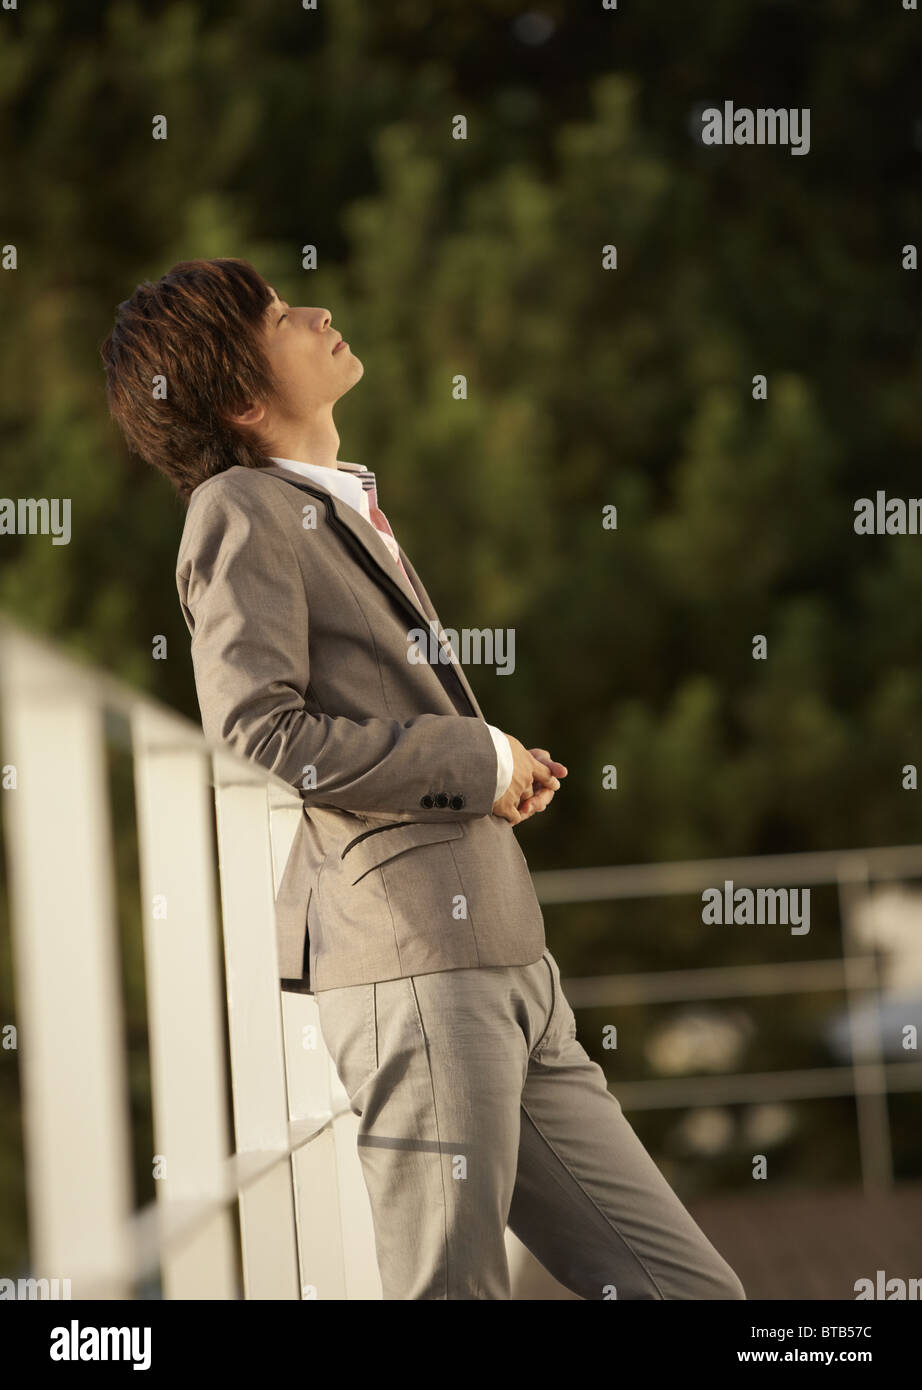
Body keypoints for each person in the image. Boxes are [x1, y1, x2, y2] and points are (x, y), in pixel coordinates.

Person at [100, 257, 745, 1301]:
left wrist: (494, 769)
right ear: (242, 397)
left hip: (504, 957)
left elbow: (368, 713)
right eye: (276, 317)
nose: (315, 311)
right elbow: (259, 728)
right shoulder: (240, 509)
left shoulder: (336, 503)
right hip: (413, 964)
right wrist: (471, 756)